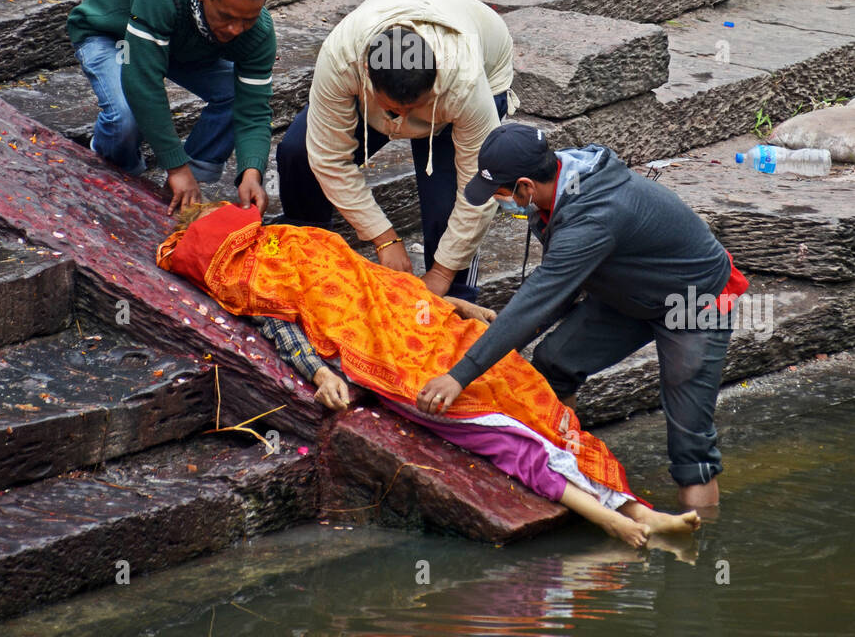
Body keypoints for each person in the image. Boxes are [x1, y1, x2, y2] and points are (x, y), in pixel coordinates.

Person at [157, 199, 702, 546]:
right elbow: (286, 331)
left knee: (528, 395)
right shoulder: (272, 260)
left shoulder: (299, 241)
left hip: (421, 327)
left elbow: (377, 280)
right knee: (502, 432)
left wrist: (459, 308)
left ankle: (637, 509)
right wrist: (320, 376)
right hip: (393, 360)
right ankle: (611, 517)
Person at [417, 123, 749, 511]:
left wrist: (460, 375)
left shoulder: (593, 214)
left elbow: (540, 298)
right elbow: (553, 294)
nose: (499, 201)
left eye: (501, 193)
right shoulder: (555, 187)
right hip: (628, 292)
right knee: (555, 361)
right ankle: (563, 462)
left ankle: (700, 549)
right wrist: (498, 347)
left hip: (695, 300)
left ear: (525, 186)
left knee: (691, 448)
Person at [275, 0, 518, 302]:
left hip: (481, 64)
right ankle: (309, 240)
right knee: (298, 152)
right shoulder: (342, 57)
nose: (403, 119)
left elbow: (478, 187)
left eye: (412, 108)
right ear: (366, 72)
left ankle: (456, 301)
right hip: (390, 65)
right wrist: (384, 238)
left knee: (446, 206)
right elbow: (328, 157)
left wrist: (442, 273)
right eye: (394, 110)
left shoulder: (465, 83)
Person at [67, 0, 276, 215]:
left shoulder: (258, 32)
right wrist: (175, 165)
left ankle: (187, 183)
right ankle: (117, 171)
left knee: (234, 94)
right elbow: (142, 81)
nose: (236, 29)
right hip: (112, 36)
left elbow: (254, 110)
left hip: (174, 45)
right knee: (125, 117)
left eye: (248, 19)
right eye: (226, 17)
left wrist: (252, 173)